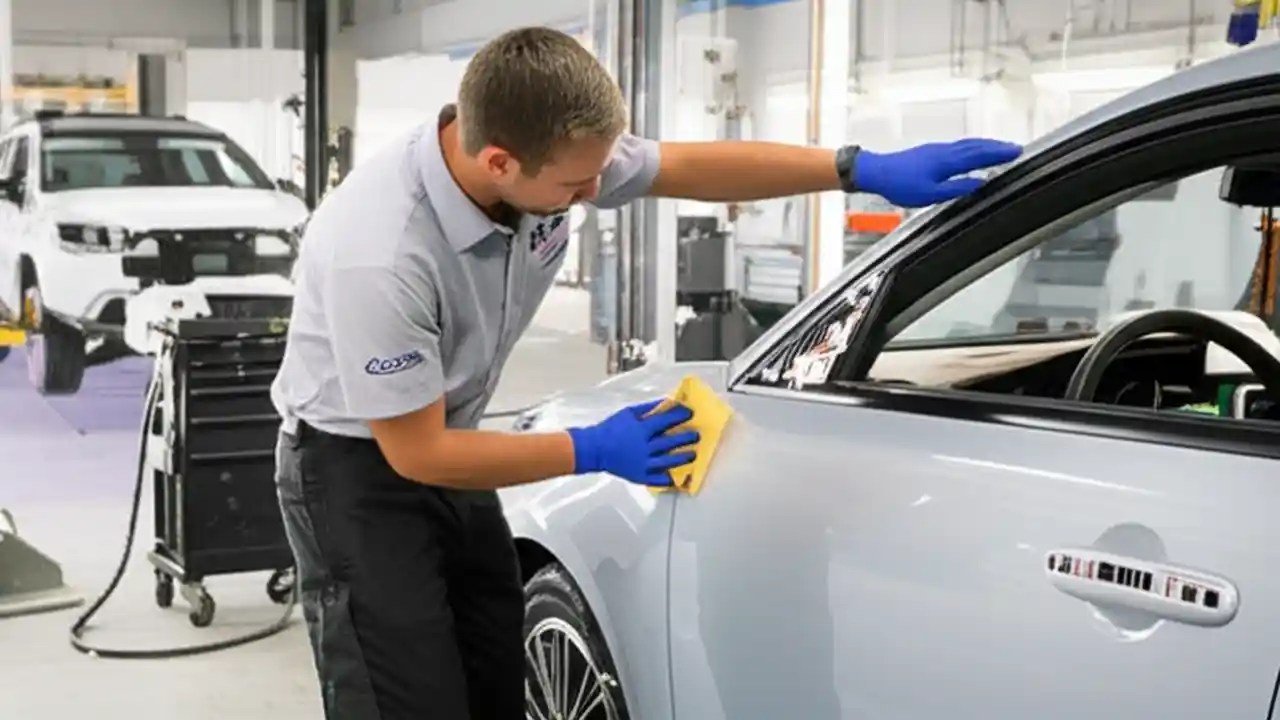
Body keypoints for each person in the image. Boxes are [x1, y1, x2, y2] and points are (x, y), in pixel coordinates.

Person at [269, 25, 1022, 720]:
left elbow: (687, 167)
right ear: (498, 160)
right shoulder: (381, 251)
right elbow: (418, 454)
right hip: (355, 468)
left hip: (450, 435)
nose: (595, 193)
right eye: (575, 188)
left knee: (492, 671)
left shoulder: (548, 149)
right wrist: (593, 449)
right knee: (407, 697)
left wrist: (855, 169)